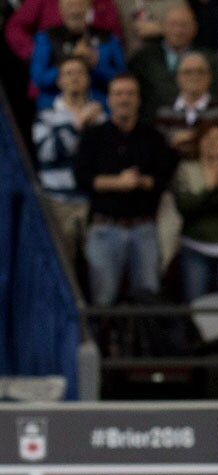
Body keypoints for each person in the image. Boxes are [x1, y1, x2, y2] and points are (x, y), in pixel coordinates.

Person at [74, 72, 174, 305]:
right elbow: (82, 178)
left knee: (148, 299)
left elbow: (163, 179)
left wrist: (139, 182)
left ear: (139, 99)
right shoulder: (93, 136)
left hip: (144, 229)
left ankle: (145, 343)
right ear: (108, 99)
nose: (124, 99)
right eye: (118, 94)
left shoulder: (153, 137)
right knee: (102, 301)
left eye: (130, 94)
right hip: (104, 228)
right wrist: (119, 183)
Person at [33, 53, 103, 272]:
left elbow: (104, 157)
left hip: (94, 203)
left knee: (98, 269)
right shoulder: (46, 116)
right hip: (58, 202)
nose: (74, 78)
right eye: (68, 73)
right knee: (62, 269)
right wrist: (77, 125)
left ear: (88, 78)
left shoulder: (101, 117)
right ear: (59, 80)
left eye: (80, 73)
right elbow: (47, 152)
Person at [171, 118, 218, 297]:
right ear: (199, 141)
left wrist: (213, 190)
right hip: (194, 244)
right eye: (207, 137)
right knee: (195, 305)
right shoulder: (186, 170)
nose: (213, 142)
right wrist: (210, 190)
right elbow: (185, 207)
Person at [29, 0, 125, 99]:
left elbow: (123, 79)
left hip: (100, 104)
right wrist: (71, 59)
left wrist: (96, 65)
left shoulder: (107, 38)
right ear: (61, 9)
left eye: (79, 4)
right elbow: (39, 79)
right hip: (56, 106)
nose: (75, 10)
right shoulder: (46, 38)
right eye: (70, 5)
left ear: (89, 8)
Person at [125, 3, 200, 119]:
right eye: (173, 25)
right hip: (152, 126)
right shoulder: (142, 59)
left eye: (184, 25)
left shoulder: (206, 59)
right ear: (163, 27)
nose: (178, 30)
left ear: (195, 28)